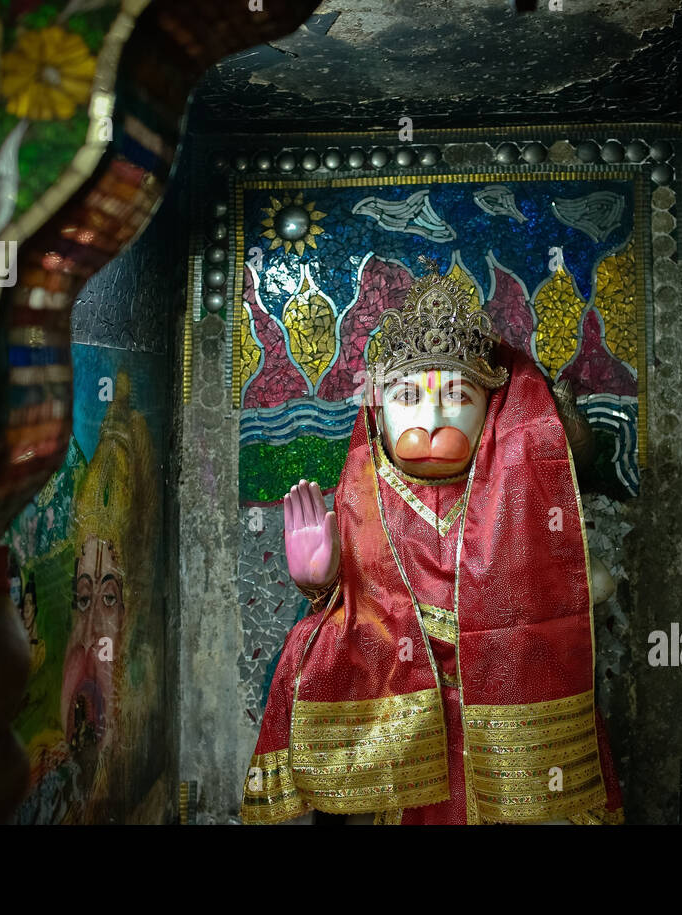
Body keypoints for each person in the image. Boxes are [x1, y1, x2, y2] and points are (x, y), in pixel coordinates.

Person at [241, 257, 624, 824]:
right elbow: (353, 615)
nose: (433, 419)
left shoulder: (517, 494)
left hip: (502, 700)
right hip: (396, 708)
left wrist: (563, 584)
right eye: (408, 398)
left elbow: (590, 584)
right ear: (378, 411)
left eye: (456, 397)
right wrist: (320, 583)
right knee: (308, 649)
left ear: (491, 410)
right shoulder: (365, 497)